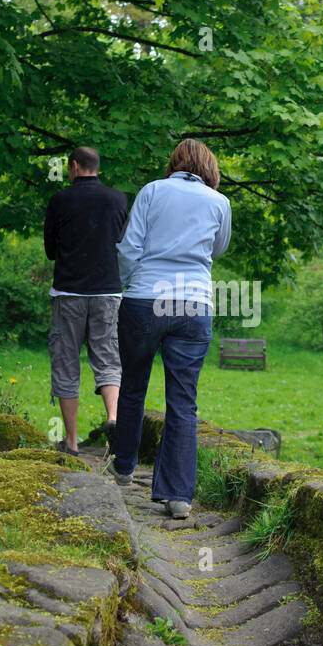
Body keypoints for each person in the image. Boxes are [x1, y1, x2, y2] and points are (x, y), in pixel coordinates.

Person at [111, 139, 231, 518]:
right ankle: (178, 496)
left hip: (146, 299)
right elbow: (218, 249)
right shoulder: (220, 202)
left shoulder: (152, 191)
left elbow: (129, 247)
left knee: (132, 386)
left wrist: (129, 284)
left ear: (175, 163)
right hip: (194, 305)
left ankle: (123, 468)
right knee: (184, 402)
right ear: (209, 168)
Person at [44, 146, 128, 455]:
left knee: (67, 363)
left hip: (69, 293)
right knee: (108, 358)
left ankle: (71, 441)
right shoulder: (118, 199)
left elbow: (51, 250)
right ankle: (113, 417)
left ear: (75, 166)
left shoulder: (59, 200)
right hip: (107, 291)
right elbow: (122, 241)